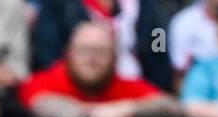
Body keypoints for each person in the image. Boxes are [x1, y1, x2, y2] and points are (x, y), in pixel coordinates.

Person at [18, 21, 180, 117]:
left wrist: (127, 109)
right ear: (68, 53)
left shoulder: (124, 86)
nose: (91, 58)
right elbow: (48, 106)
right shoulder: (42, 81)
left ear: (115, 58)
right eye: (84, 50)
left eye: (101, 51)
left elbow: (170, 105)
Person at [31, 0, 173, 91]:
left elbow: (158, 42)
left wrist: (157, 86)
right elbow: (47, 54)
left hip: (137, 89)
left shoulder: (146, 6)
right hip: (80, 93)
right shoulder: (60, 6)